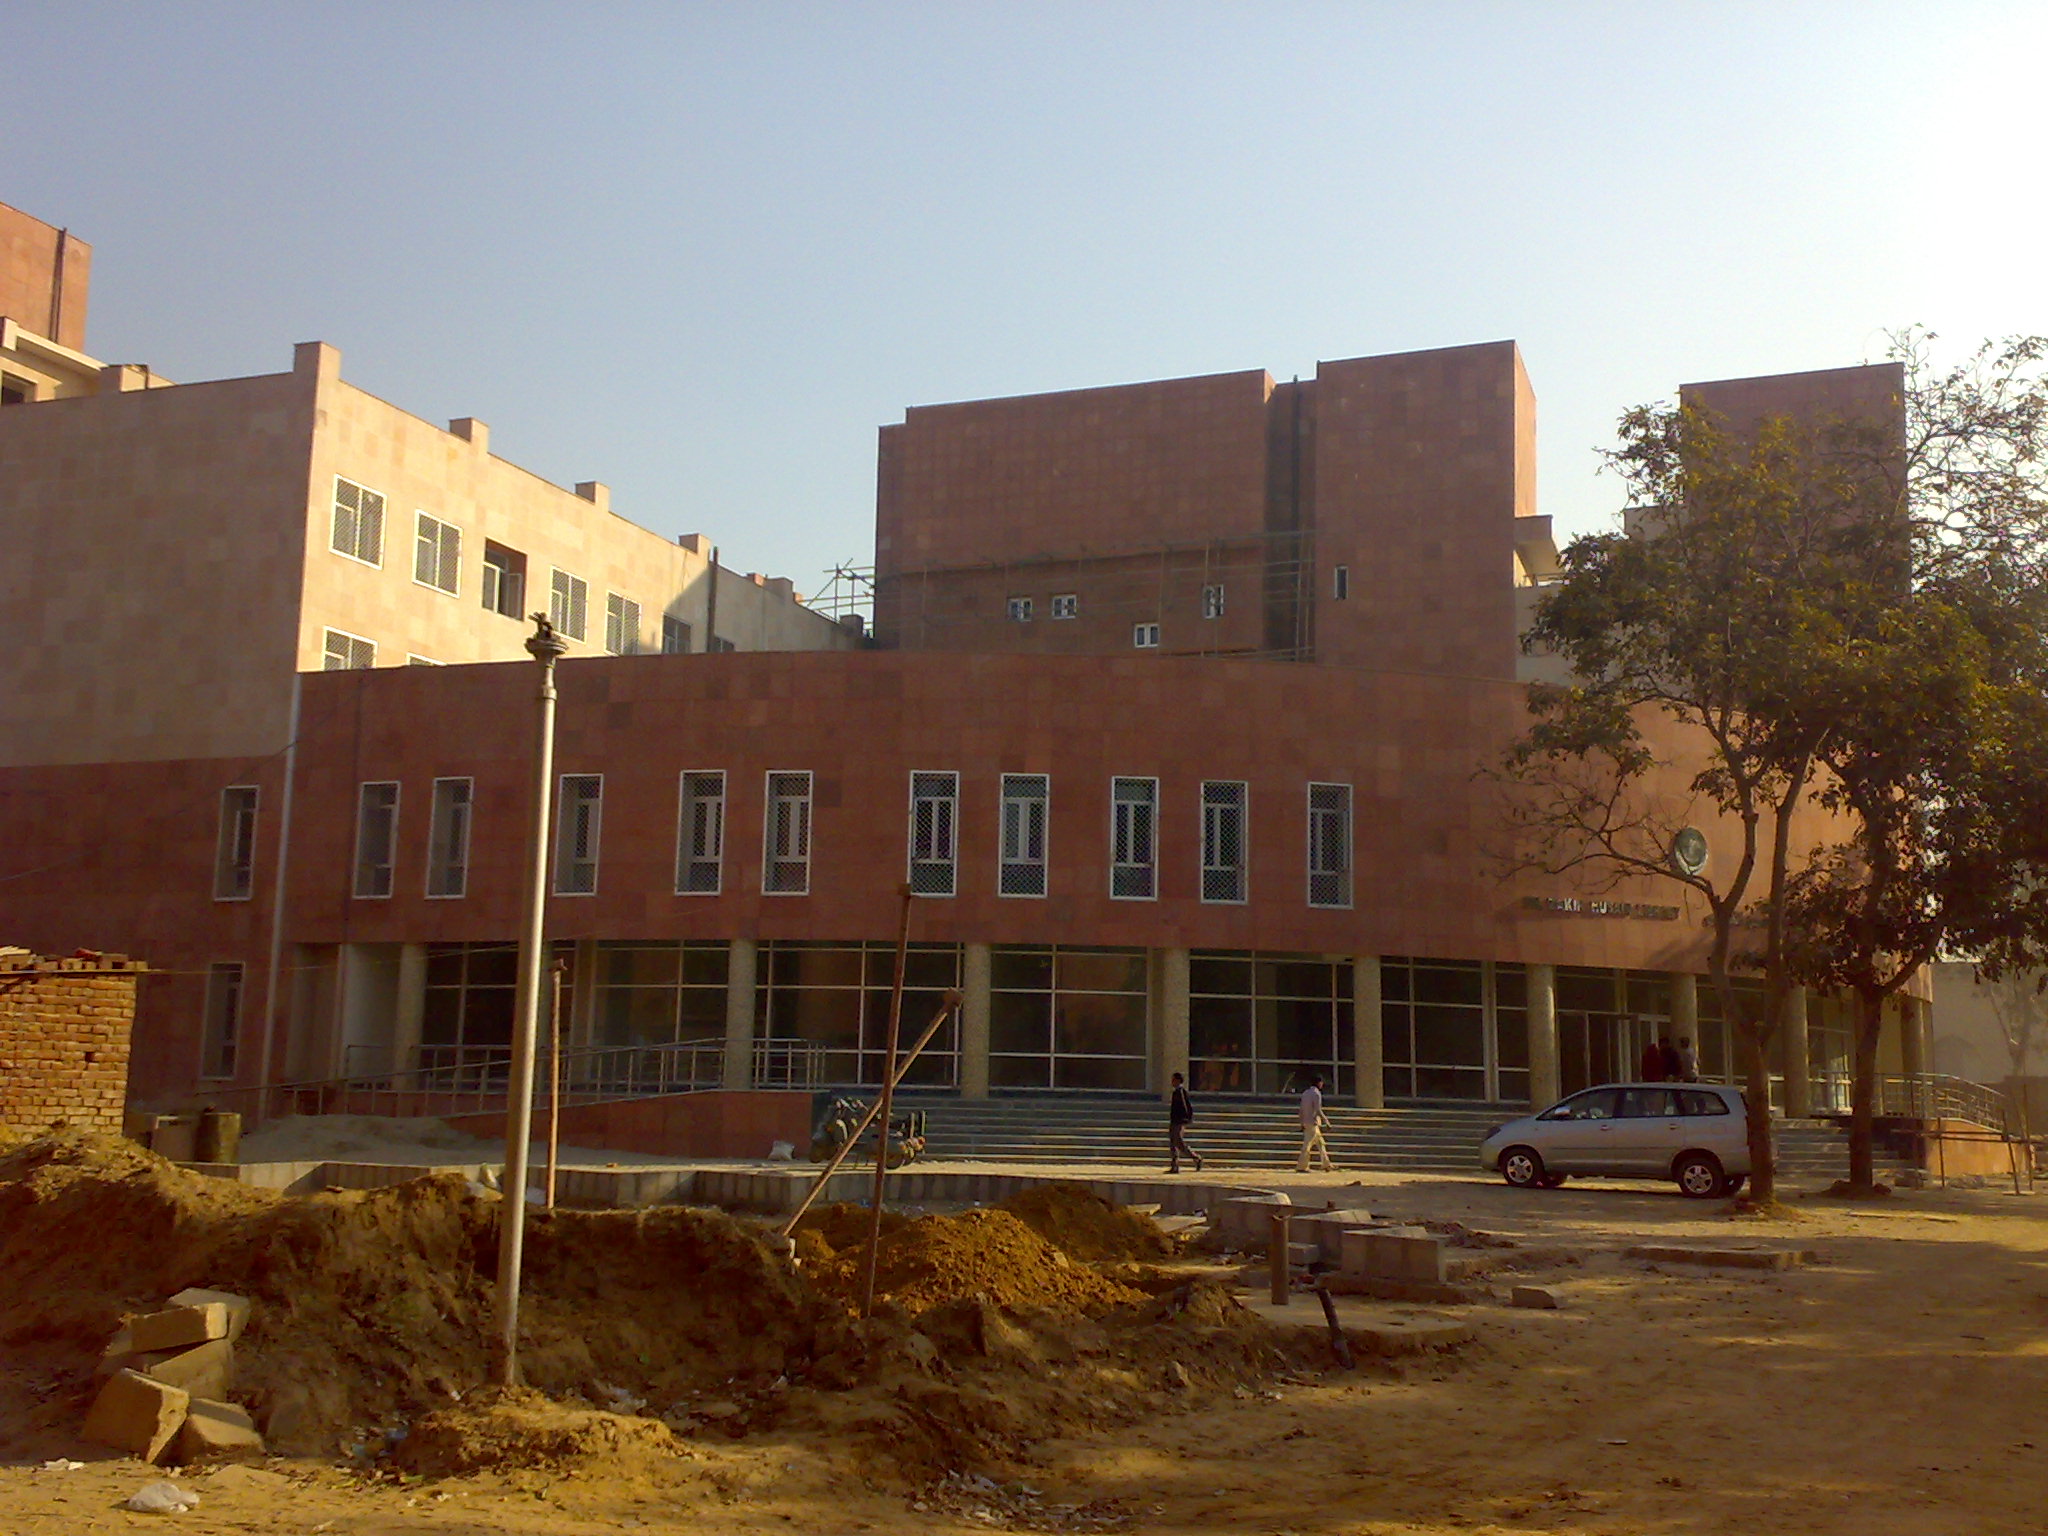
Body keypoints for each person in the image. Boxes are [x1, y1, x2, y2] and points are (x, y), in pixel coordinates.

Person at [1296, 1073, 1334, 1173]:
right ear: (1319, 1083)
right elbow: (1318, 1109)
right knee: (1307, 1144)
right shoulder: (1316, 1094)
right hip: (1313, 1122)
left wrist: (1301, 1122)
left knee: (1320, 1143)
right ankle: (1302, 1166)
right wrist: (1326, 1121)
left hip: (1306, 1121)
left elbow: (1301, 1110)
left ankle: (1326, 1164)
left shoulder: (1305, 1093)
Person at [1167, 1071, 1203, 1173]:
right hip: (1174, 1121)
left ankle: (1196, 1158)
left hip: (1178, 1121)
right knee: (1173, 1143)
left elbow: (1185, 1107)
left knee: (1179, 1143)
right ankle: (1175, 1165)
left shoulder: (1181, 1092)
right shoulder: (1176, 1092)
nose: (1172, 1082)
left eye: (1173, 1080)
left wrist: (1185, 1119)